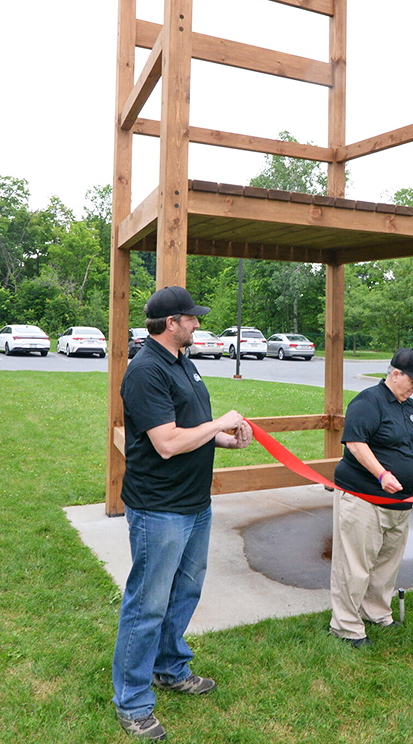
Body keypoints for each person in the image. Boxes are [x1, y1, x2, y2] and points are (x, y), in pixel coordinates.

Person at [112, 286, 254, 740]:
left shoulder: (182, 362)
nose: (197, 324)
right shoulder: (145, 371)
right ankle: (132, 701)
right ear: (171, 323)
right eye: (191, 318)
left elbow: (190, 428)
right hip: (160, 508)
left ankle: (170, 668)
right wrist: (219, 422)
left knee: (185, 593)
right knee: (147, 604)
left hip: (195, 504)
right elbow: (168, 443)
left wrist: (225, 439)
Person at [329, 348, 413, 647]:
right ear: (395, 374)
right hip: (364, 498)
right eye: (412, 381)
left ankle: (376, 612)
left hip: (400, 504)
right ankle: (346, 626)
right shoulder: (368, 401)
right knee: (354, 566)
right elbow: (355, 443)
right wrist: (381, 474)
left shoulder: (412, 408)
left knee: (386, 564)